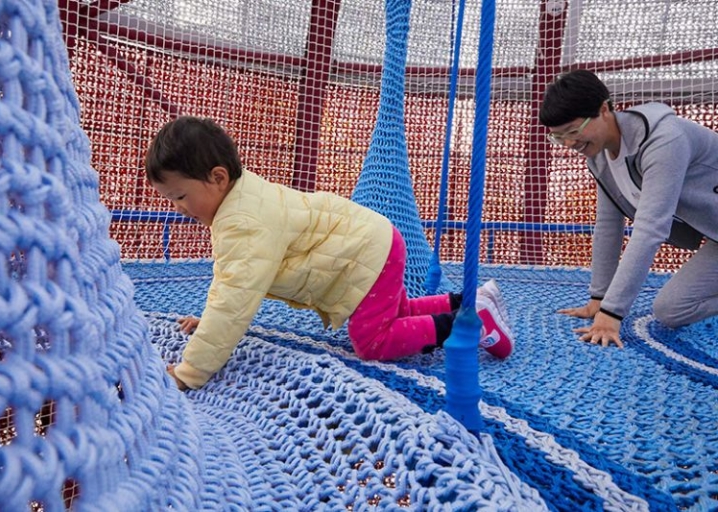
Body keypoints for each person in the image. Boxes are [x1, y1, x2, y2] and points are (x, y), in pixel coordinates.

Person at [145, 116, 515, 389]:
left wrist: (190, 372)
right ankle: (469, 300)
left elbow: (233, 300)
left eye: (180, 196)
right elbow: (229, 285)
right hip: (374, 243)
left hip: (366, 253)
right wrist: (208, 321)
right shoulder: (245, 201)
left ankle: (473, 321)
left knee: (373, 341)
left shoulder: (243, 222)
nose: (178, 208)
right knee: (397, 314)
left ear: (218, 178)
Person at [539, 69, 718, 348]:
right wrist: (599, 298)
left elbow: (650, 228)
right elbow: (608, 225)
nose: (570, 144)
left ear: (604, 109)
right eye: (559, 137)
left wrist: (612, 314)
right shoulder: (598, 156)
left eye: (573, 131)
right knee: (672, 310)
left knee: (666, 309)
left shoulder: (664, 140)